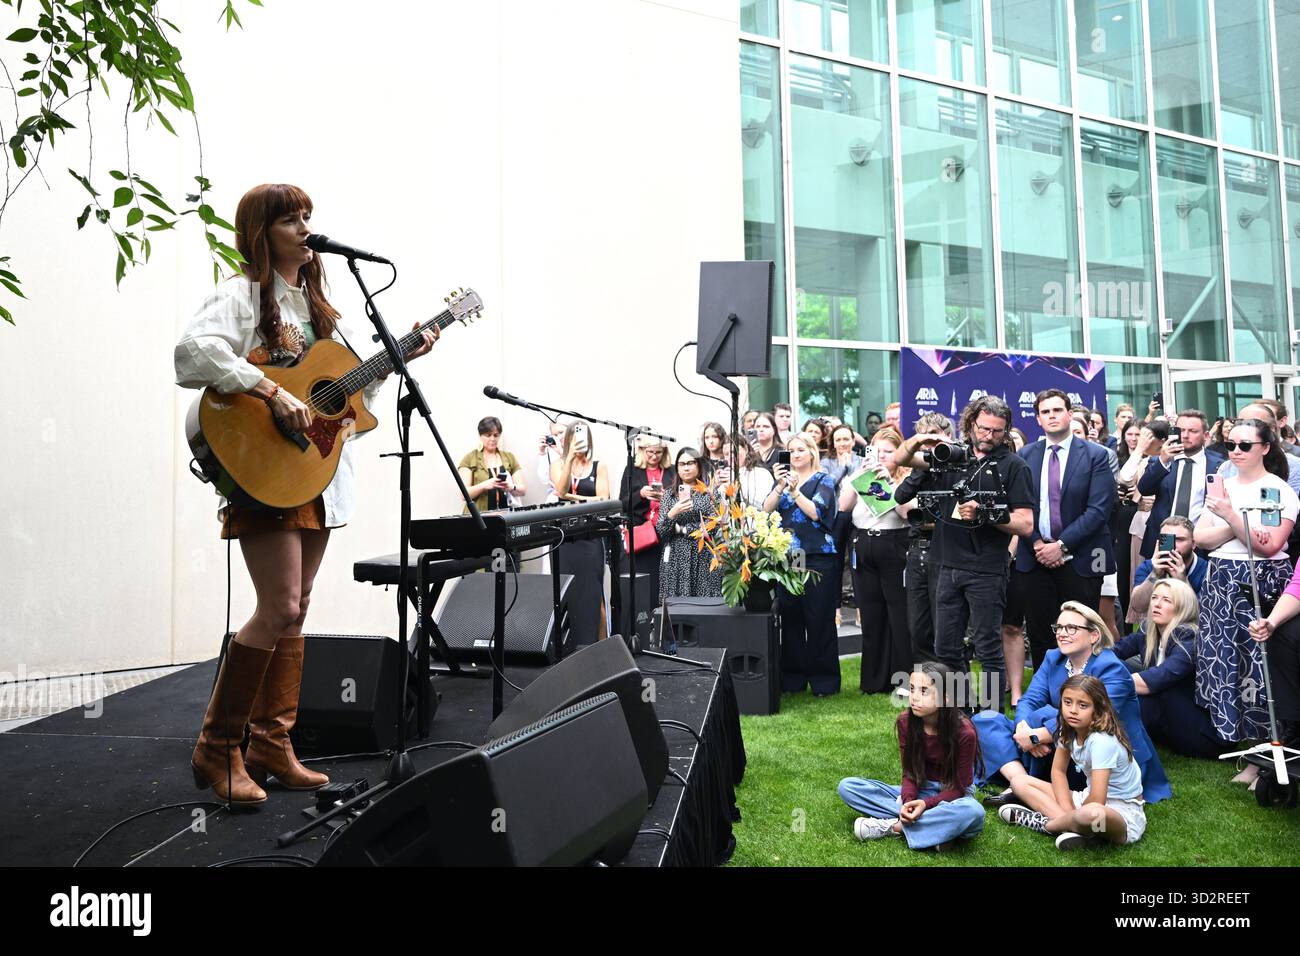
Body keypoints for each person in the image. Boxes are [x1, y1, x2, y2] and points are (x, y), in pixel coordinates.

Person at [174, 183, 438, 804]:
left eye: (307, 217)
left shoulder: (322, 314)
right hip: (260, 468)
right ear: (261, 233)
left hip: (311, 473)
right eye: (290, 219)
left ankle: (272, 743)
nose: (304, 228)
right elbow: (192, 354)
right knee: (281, 606)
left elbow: (348, 409)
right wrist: (270, 391)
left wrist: (394, 362)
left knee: (300, 603)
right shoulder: (240, 296)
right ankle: (217, 750)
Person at [895, 397, 1035, 709]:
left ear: (1005, 431)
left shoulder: (1014, 465)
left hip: (986, 568)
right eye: (984, 428)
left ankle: (990, 717)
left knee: (987, 647)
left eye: (997, 431)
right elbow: (901, 459)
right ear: (971, 424)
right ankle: (959, 712)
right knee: (945, 647)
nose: (989, 436)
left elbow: (1026, 524)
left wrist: (985, 514)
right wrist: (920, 439)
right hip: (945, 564)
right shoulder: (950, 456)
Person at [974, 601, 1170, 804]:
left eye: (1072, 628)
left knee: (1046, 716)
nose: (1062, 633)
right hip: (1057, 742)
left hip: (1098, 751)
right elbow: (1030, 700)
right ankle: (1020, 782)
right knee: (984, 719)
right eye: (1059, 628)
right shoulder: (1054, 658)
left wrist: (1036, 737)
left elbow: (1094, 719)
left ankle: (1025, 785)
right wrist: (1023, 729)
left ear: (1094, 635)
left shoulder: (1112, 669)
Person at [1194, 418, 1299, 779]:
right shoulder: (1223, 487)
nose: (1235, 451)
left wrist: (1227, 517)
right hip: (1220, 579)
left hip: (1259, 582)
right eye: (1230, 445)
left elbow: (1268, 546)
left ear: (1265, 448)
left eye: (1244, 445)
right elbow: (1200, 539)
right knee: (1225, 660)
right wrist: (1239, 525)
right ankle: (1238, 741)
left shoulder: (1274, 490)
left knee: (1261, 663)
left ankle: (1265, 756)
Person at [1012, 389, 1118, 671]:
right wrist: (1037, 544)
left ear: (1070, 414)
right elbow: (1019, 506)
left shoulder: (1096, 455)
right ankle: (1046, 694)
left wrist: (1060, 546)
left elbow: (1098, 511)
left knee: (1079, 632)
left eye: (1057, 410)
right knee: (1040, 633)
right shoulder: (1025, 455)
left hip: (1081, 559)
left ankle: (1082, 692)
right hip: (1034, 558)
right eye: (1045, 412)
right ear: (1038, 418)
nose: (1052, 416)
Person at [837, 662, 985, 850]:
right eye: (912, 689)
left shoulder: (964, 732)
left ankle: (893, 827)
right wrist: (908, 802)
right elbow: (910, 773)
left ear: (946, 698)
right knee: (848, 787)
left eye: (924, 691)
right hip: (921, 788)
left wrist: (925, 804)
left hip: (953, 795)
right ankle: (938, 830)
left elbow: (959, 788)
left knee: (973, 812)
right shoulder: (905, 722)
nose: (914, 698)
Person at [996, 675, 1147, 850]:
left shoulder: (1101, 742)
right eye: (1067, 702)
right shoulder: (1068, 730)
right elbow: (1058, 772)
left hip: (1119, 814)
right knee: (1019, 782)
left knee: (1091, 815)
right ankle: (1074, 828)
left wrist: (1077, 814)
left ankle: (1046, 825)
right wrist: (1069, 811)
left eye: (1083, 705)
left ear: (1098, 709)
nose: (1073, 710)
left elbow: (1098, 799)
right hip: (1085, 799)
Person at [764, 433, 840, 695]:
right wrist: (779, 486)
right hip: (790, 556)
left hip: (818, 555)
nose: (795, 455)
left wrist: (795, 491)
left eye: (800, 450)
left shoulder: (823, 479)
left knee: (819, 619)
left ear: (811, 453)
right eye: (790, 451)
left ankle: (824, 682)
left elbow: (816, 512)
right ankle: (793, 680)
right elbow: (766, 509)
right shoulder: (783, 482)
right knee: (792, 618)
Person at [1114, 579, 1221, 758]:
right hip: (1170, 722)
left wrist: (1103, 680)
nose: (1157, 604)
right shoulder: (1149, 630)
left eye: (1166, 600)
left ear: (1182, 607)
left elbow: (1157, 679)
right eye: (1155, 598)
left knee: (1153, 693)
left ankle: (1127, 752)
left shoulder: (1190, 638)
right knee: (1119, 667)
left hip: (1202, 734)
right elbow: (1115, 652)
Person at [842, 426, 911, 693]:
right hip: (863, 543)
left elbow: (906, 513)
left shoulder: (907, 478)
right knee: (871, 614)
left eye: (888, 452)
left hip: (894, 543)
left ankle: (903, 680)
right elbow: (844, 506)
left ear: (899, 454)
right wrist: (859, 476)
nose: (882, 457)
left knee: (899, 613)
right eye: (877, 451)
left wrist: (891, 485)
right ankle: (873, 681)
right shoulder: (862, 475)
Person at [893, 413, 954, 667]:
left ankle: (948, 687)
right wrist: (923, 465)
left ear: (948, 436)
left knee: (945, 627)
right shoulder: (921, 466)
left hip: (947, 550)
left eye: (935, 438)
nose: (930, 446)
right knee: (918, 627)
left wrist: (941, 458)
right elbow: (901, 495)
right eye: (924, 440)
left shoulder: (959, 465)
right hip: (918, 549)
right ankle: (927, 685)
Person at [552, 419, 612, 644]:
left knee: (593, 597)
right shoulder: (559, 464)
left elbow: (603, 499)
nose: (580, 440)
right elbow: (560, 490)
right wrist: (568, 459)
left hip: (590, 537)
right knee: (566, 595)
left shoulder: (599, 466)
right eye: (576, 436)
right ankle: (567, 646)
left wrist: (574, 499)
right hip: (565, 539)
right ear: (568, 439)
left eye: (584, 436)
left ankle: (601, 648)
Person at [1137, 408, 1226, 559]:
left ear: (1205, 435)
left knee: (1198, 580)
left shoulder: (1218, 465)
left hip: (1199, 539)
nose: (1185, 435)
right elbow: (1144, 489)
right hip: (1166, 537)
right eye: (1181, 430)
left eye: (1192, 431)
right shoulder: (1162, 460)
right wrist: (1162, 461)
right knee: (1164, 579)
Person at [656, 448, 723, 601]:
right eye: (681, 464)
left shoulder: (710, 493)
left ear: (698, 465)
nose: (686, 468)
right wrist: (673, 512)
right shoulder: (669, 495)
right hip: (676, 557)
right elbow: (661, 529)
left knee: (705, 604)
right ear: (677, 468)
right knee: (677, 606)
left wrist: (682, 529)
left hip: (704, 555)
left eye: (690, 463)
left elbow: (713, 524)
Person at [618, 434, 674, 607]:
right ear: (642, 451)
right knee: (642, 586)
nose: (654, 456)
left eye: (658, 452)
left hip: (664, 533)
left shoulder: (671, 470)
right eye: (650, 452)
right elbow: (622, 503)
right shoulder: (632, 470)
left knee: (661, 584)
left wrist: (667, 497)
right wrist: (641, 495)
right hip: (641, 534)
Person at [1127, 515, 1207, 620]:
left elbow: (1204, 614)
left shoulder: (1206, 569)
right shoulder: (1148, 566)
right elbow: (1138, 606)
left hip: (1191, 631)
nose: (1173, 545)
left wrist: (1183, 582)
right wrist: (1155, 575)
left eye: (1179, 539)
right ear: (1158, 542)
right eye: (1167, 539)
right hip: (1154, 629)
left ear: (1193, 544)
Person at [457, 416, 527, 513]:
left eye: (496, 435)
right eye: (488, 435)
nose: (492, 439)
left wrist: (511, 487)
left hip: (505, 516)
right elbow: (463, 494)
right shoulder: (470, 458)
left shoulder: (509, 457)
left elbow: (523, 490)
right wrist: (484, 485)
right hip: (479, 518)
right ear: (480, 435)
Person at [727, 432, 775, 506]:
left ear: (746, 449)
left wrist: (738, 487)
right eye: (726, 454)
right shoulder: (726, 477)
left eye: (735, 451)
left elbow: (764, 505)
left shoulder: (762, 474)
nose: (731, 456)